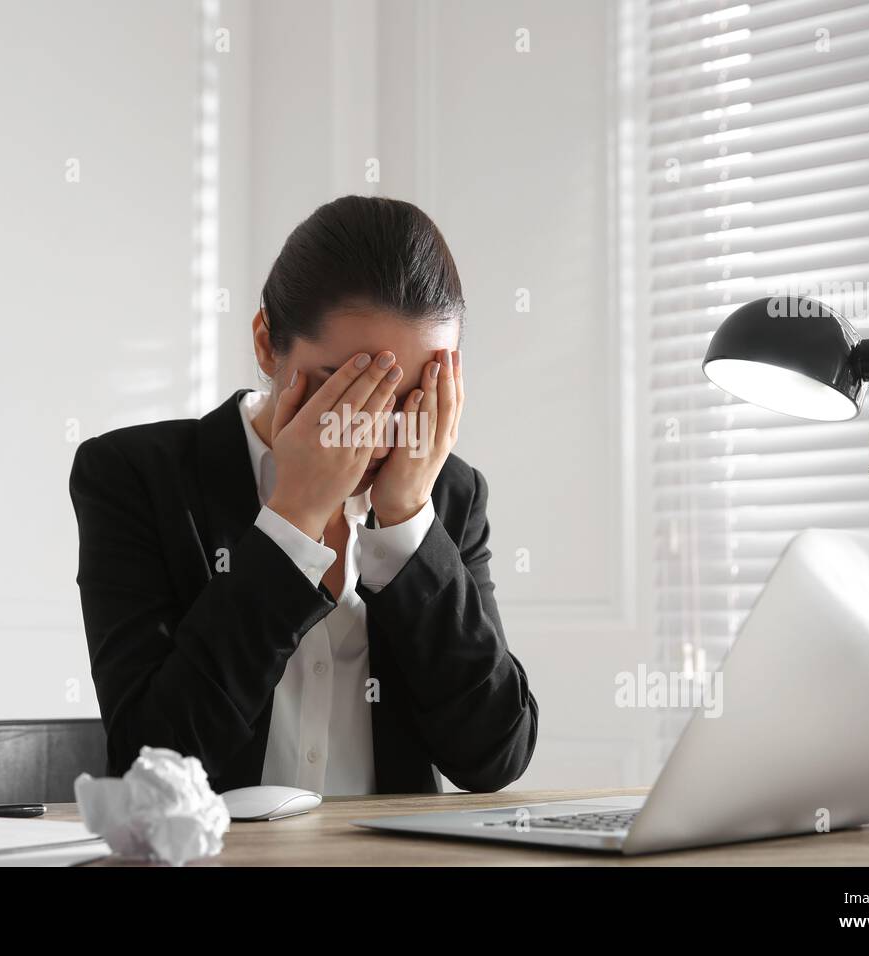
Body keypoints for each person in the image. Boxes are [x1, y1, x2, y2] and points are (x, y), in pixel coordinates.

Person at [69, 195, 538, 795]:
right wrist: (291, 521)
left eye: (414, 392)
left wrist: (407, 524)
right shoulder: (135, 477)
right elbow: (151, 763)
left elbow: (492, 756)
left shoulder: (448, 492)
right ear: (268, 343)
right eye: (345, 386)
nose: (376, 428)